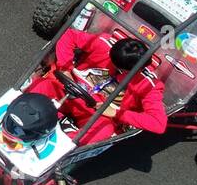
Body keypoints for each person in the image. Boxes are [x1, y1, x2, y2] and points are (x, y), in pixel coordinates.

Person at [26, 35, 166, 144]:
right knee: (41, 85)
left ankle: (60, 146)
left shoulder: (149, 85)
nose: (112, 65)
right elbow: (68, 36)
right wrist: (65, 68)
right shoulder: (103, 43)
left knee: (104, 130)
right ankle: (21, 116)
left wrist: (117, 113)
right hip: (70, 90)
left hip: (96, 113)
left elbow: (158, 124)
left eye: (118, 68)